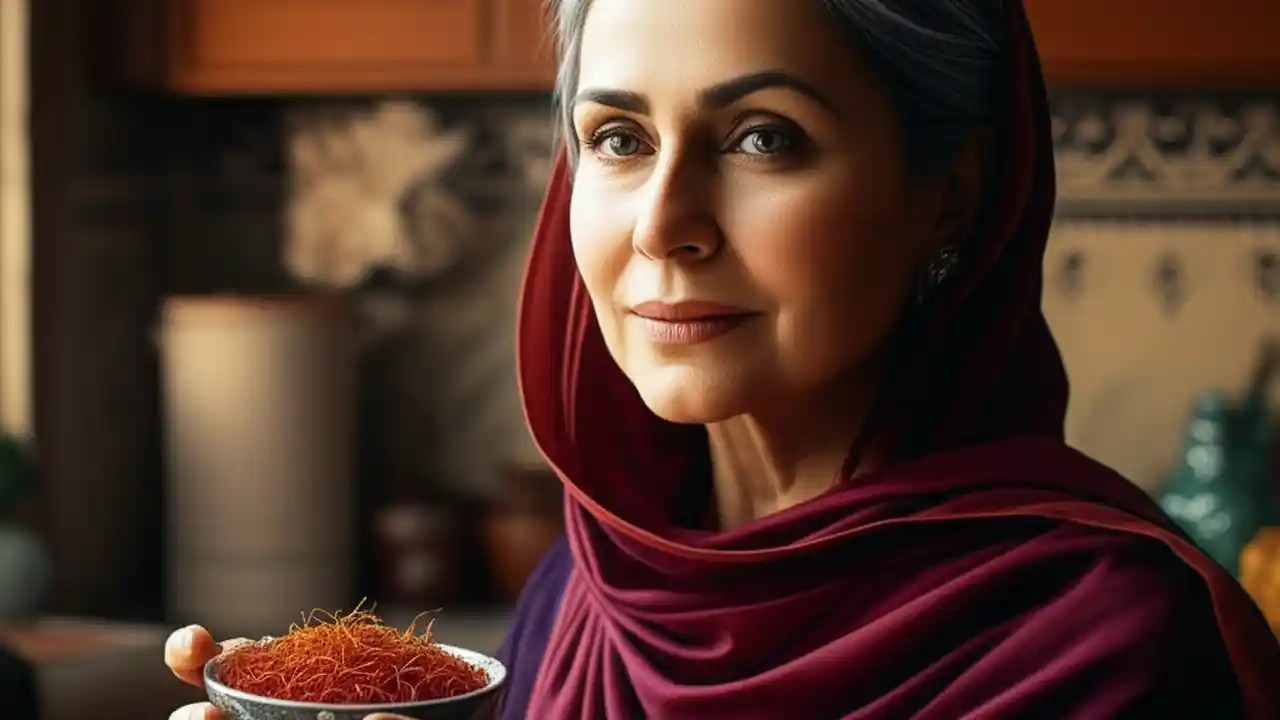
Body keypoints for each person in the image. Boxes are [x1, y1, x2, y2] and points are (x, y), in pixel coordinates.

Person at [165, 0, 1280, 718]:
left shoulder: (1098, 645)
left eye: (761, 137)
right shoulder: (589, 587)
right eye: (618, 139)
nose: (663, 225)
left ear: (949, 196)